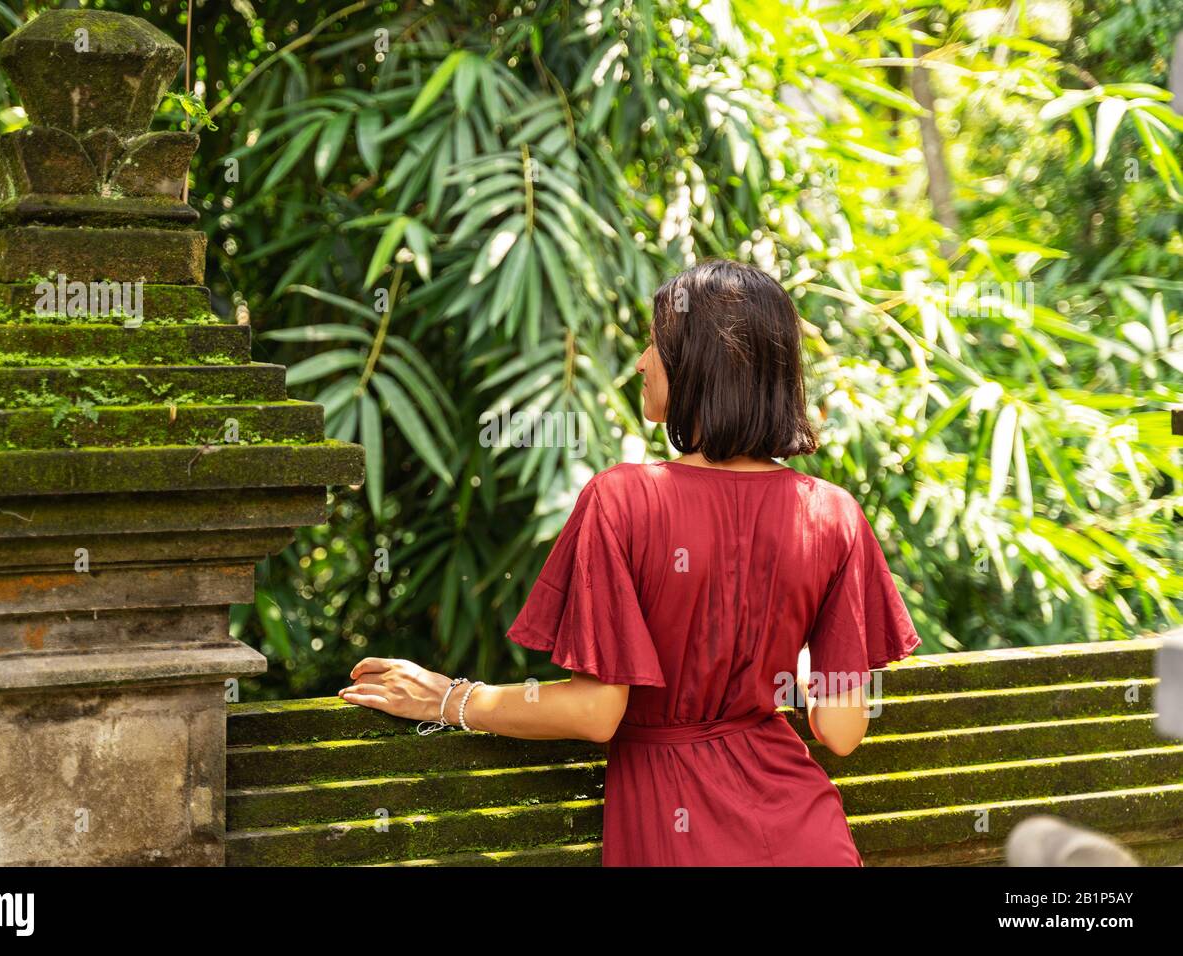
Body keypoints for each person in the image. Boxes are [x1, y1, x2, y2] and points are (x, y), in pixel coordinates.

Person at [339, 258, 922, 865]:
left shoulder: (624, 500)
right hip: (809, 838)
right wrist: (765, 662)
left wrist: (449, 698)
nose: (642, 361)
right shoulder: (832, 514)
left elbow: (597, 712)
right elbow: (843, 730)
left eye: (655, 344)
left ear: (702, 362)